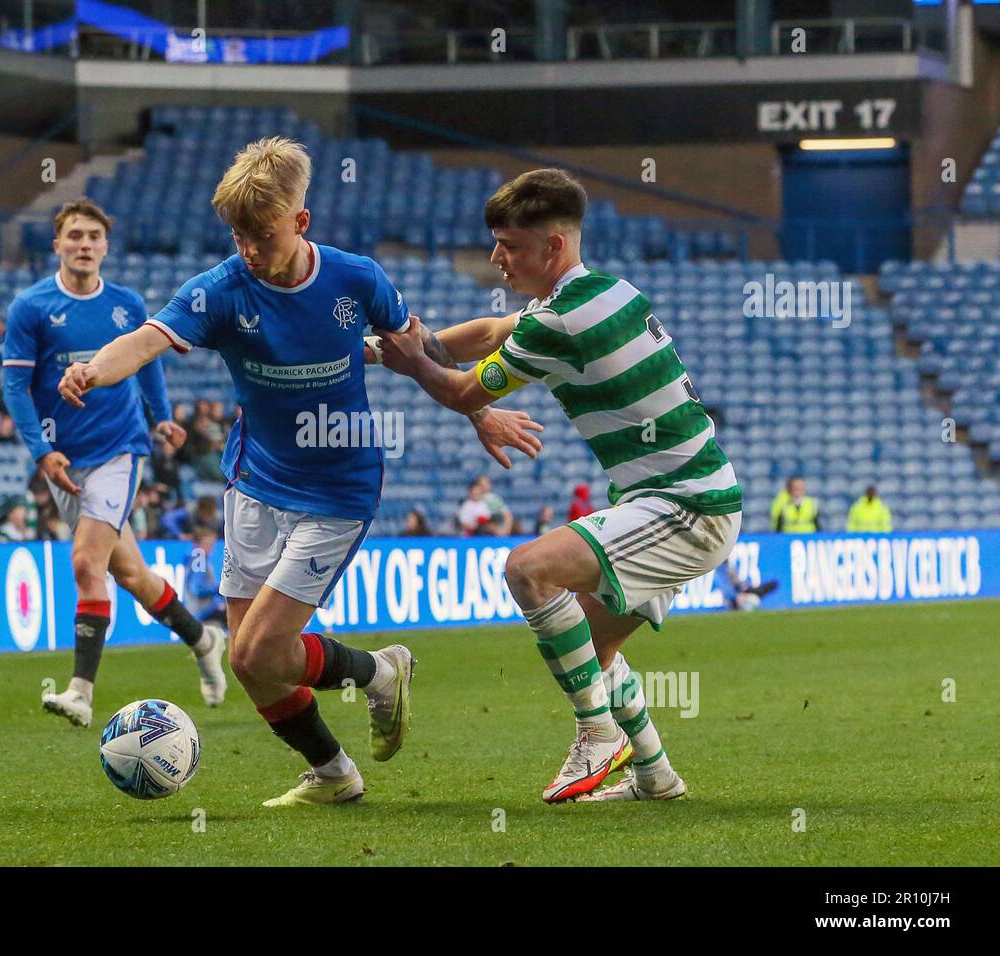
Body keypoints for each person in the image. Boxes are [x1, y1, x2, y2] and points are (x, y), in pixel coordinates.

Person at [58, 140, 536, 807]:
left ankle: (379, 673)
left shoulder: (354, 279)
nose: (249, 248)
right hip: (255, 480)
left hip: (338, 487)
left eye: (262, 234)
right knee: (250, 663)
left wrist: (475, 409)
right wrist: (92, 368)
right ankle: (336, 772)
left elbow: (415, 349)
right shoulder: (221, 289)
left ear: (301, 223)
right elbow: (144, 341)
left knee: (257, 653)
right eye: (238, 236)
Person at [375, 167, 740, 803]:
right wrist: (384, 353)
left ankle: (597, 733)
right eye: (495, 242)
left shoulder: (561, 323)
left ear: (554, 246)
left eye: (509, 246)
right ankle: (656, 776)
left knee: (528, 570)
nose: (496, 258)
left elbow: (462, 389)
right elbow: (490, 333)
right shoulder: (605, 292)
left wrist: (411, 362)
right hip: (686, 497)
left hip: (686, 506)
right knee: (593, 650)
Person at [2, 197, 228, 725]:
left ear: (105, 246)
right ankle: (204, 639)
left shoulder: (126, 304)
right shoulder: (30, 307)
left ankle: (80, 691)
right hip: (63, 457)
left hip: (119, 449)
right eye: (74, 236)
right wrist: (42, 452)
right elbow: (14, 385)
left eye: (93, 237)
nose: (84, 245)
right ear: (57, 244)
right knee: (130, 573)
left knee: (85, 563)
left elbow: (146, 359)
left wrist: (162, 416)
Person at [184, 525, 227, 627]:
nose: (210, 548)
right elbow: (198, 588)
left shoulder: (197, 558)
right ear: (198, 544)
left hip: (202, 609)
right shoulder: (198, 558)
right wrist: (220, 588)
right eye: (208, 544)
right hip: (201, 610)